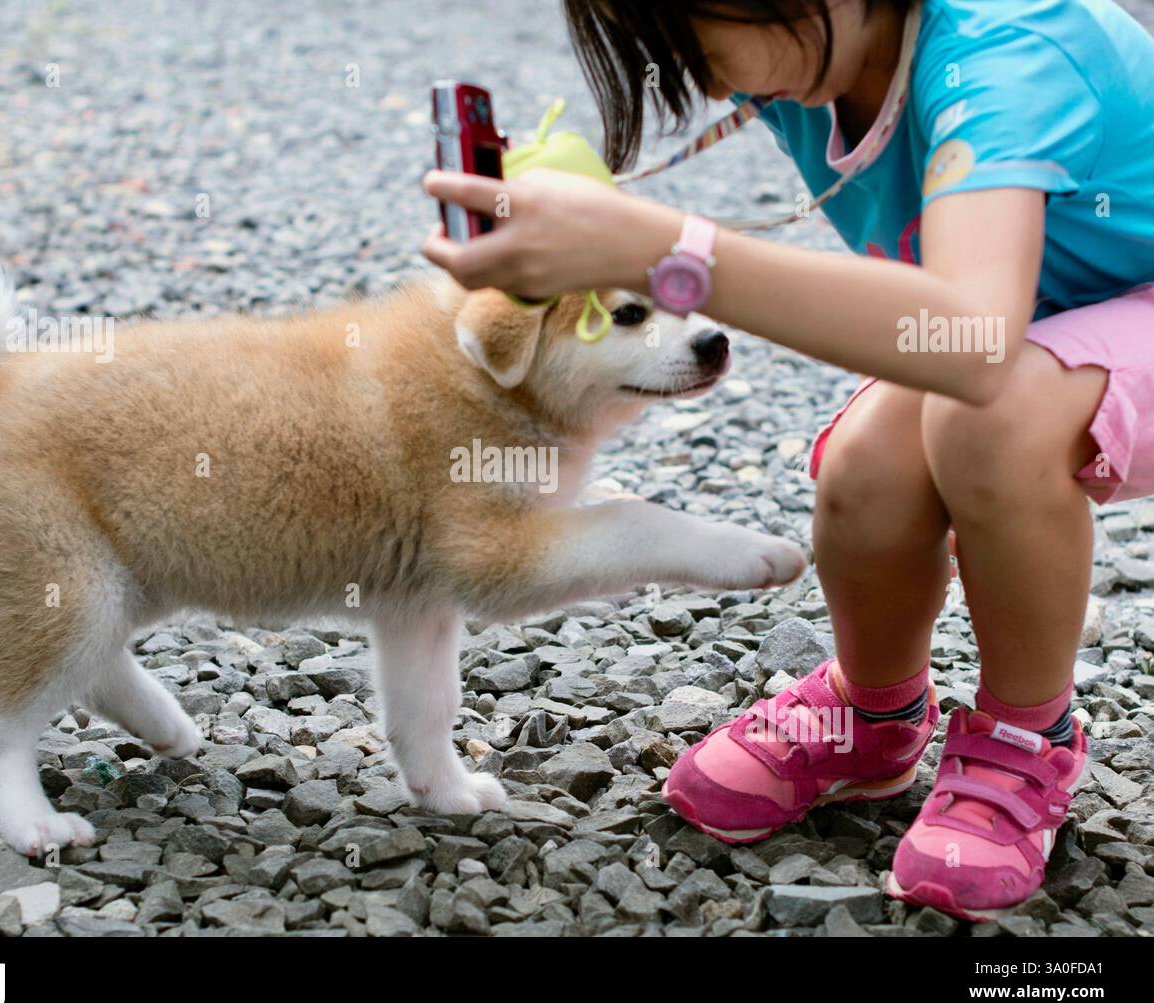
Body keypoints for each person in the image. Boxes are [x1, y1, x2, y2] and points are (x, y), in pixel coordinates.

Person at [421, 0, 1154, 921]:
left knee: (985, 422)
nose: (714, 83)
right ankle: (873, 709)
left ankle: (1024, 737)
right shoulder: (816, 63)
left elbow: (968, 341)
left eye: (697, 44)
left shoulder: (1008, 49)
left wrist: (666, 252)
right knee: (864, 470)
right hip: (1034, 328)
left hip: (1060, 327)